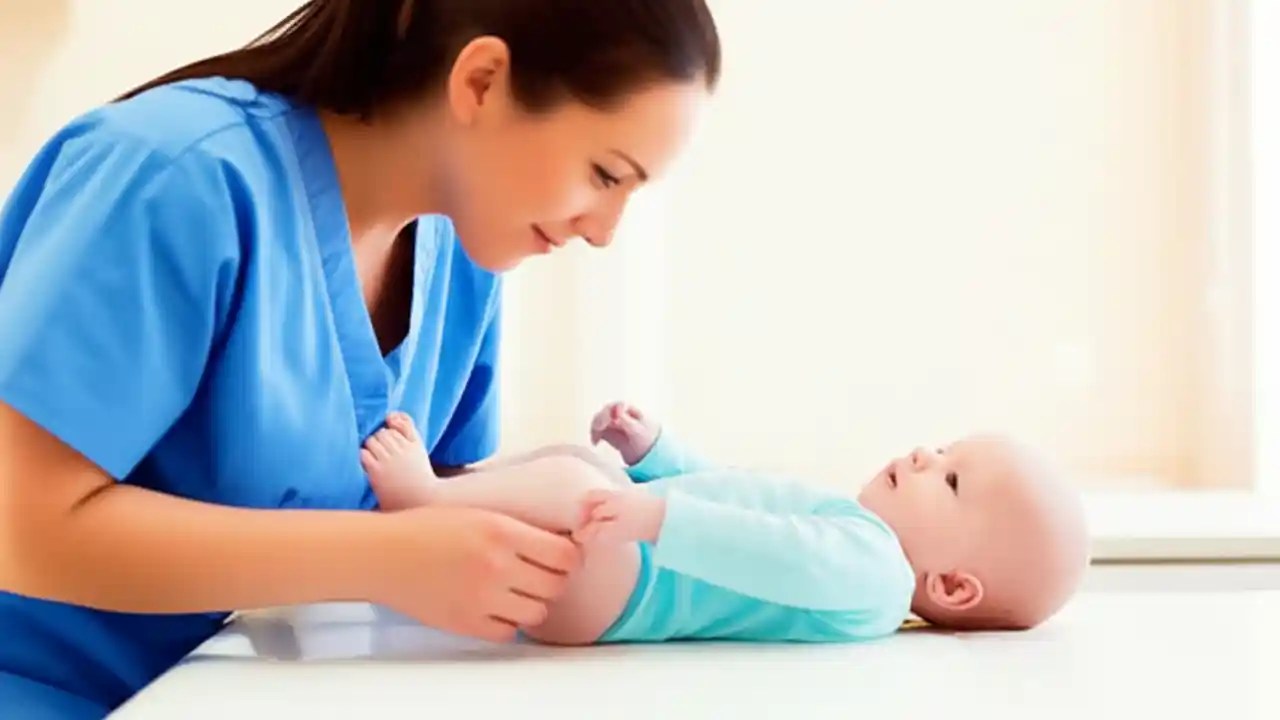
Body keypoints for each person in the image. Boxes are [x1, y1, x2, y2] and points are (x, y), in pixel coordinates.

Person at [0, 1, 720, 716]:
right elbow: (21, 527)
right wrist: (389, 556)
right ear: (482, 81)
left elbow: (418, 494)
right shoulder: (176, 178)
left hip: (224, 686)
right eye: (604, 175)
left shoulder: (465, 250)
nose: (604, 232)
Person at [360, 402, 1091, 644]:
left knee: (575, 485)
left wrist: (655, 515)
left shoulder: (876, 575)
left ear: (954, 586)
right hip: (626, 568)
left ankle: (427, 499)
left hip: (630, 587)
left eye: (953, 478)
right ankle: (443, 505)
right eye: (947, 446)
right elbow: (737, 497)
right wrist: (656, 457)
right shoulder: (855, 543)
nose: (928, 454)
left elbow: (772, 552)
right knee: (572, 467)